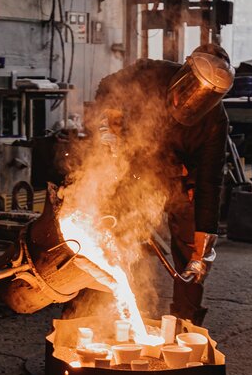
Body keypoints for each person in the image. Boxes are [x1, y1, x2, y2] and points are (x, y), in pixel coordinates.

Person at [89, 44, 234, 324]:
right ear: (186, 69)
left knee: (190, 242)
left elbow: (209, 182)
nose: (189, 102)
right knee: (114, 231)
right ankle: (99, 305)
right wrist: (110, 125)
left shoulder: (215, 120)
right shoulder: (151, 73)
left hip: (181, 180)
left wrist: (201, 251)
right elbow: (107, 86)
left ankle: (185, 320)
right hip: (138, 165)